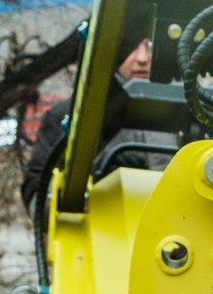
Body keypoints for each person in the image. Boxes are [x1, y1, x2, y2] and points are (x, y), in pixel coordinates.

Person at [19, 37, 153, 219]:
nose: (142, 58)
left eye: (151, 46)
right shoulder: (71, 114)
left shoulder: (191, 115)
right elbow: (37, 191)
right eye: (131, 47)